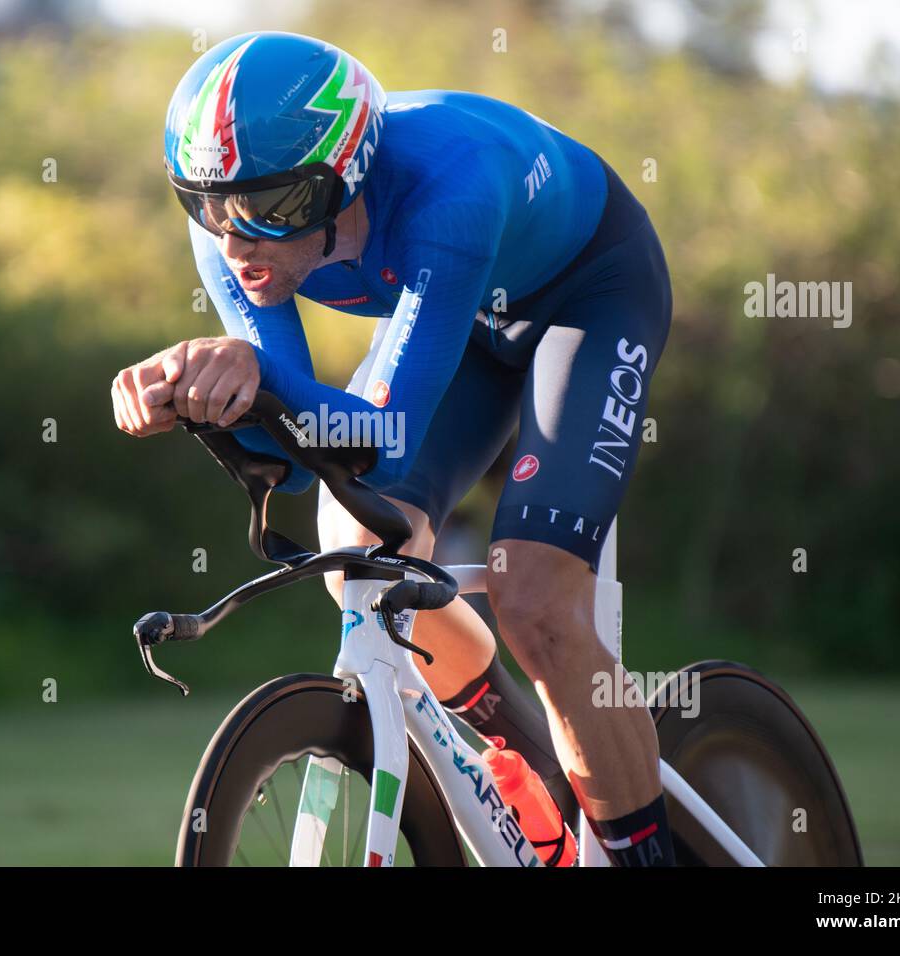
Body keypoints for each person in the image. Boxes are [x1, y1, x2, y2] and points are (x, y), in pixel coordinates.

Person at [112, 31, 674, 867]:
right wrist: (208, 392)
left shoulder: (450, 191)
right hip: (464, 316)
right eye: (206, 203)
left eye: (269, 207)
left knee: (535, 600)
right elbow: (311, 455)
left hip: (590, 294)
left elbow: (385, 434)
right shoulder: (234, 227)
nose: (234, 242)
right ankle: (536, 769)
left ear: (341, 181)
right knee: (360, 556)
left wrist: (254, 369)